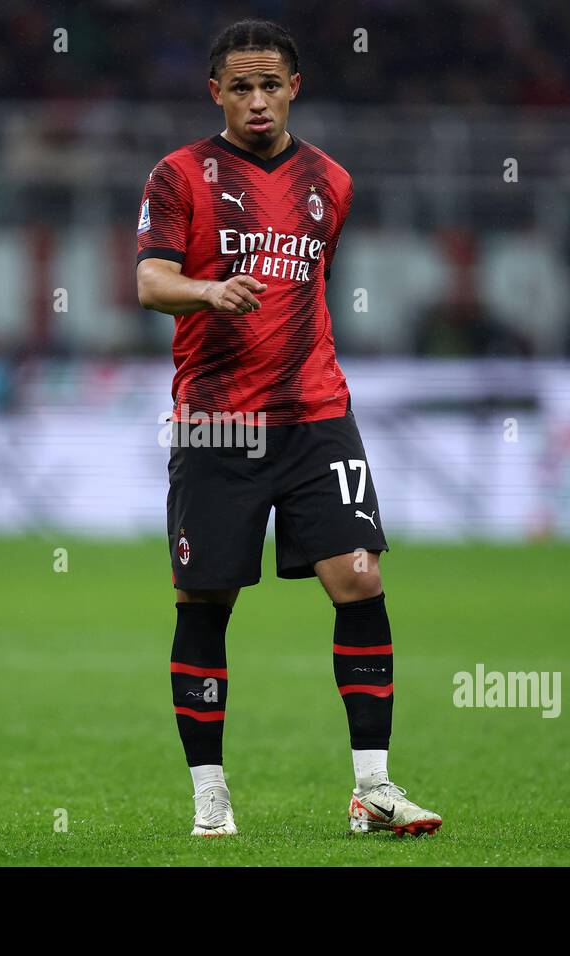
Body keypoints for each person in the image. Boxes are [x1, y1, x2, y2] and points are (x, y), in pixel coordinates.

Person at [135, 19, 441, 838]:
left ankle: (372, 791)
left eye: (271, 84)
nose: (257, 99)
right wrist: (207, 291)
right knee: (205, 600)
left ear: (294, 87)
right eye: (241, 86)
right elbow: (149, 280)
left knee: (361, 580)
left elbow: (312, 290)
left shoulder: (331, 181)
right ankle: (210, 793)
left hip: (316, 415)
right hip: (217, 424)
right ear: (216, 93)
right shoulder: (179, 175)